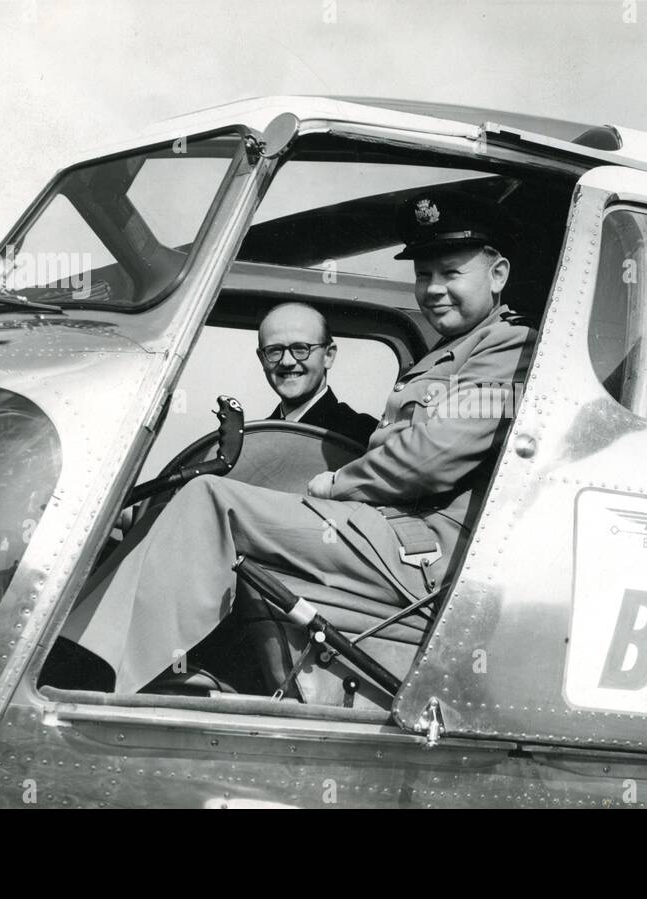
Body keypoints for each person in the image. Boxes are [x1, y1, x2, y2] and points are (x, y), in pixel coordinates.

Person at [51, 189, 535, 694]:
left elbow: (430, 459)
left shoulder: (509, 347)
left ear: (497, 274)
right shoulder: (449, 353)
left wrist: (332, 485)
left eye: (450, 273)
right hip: (394, 533)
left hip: (424, 551)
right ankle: (102, 660)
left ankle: (89, 677)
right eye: (423, 275)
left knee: (212, 502)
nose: (433, 289)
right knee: (180, 505)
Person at [257, 302, 377, 447]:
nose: (287, 362)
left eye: (301, 349)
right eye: (274, 350)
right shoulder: (253, 438)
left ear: (328, 356)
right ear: (262, 359)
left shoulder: (365, 435)